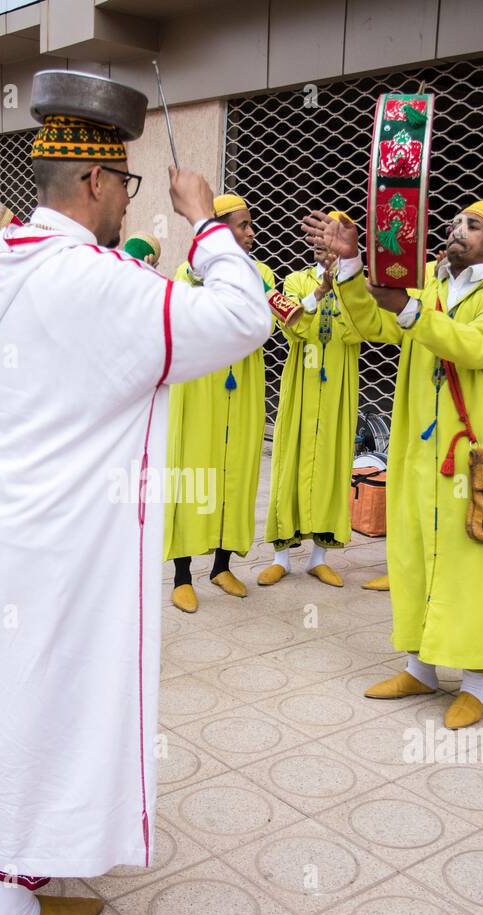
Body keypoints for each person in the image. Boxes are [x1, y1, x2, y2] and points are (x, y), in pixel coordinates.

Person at [0, 78, 270, 915]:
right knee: (57, 693)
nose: (129, 200)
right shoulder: (96, 283)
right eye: (126, 187)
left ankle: (10, 839)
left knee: (5, 691)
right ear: (94, 182)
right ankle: (14, 898)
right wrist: (205, 220)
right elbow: (244, 315)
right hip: (65, 541)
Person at [306, 201, 483, 729]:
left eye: (473, 227)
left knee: (478, 566)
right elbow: (370, 322)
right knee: (414, 556)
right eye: (456, 223)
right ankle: (421, 668)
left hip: (477, 452)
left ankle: (474, 685)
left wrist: (409, 311)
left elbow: (476, 347)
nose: (458, 230)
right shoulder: (429, 284)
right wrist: (354, 266)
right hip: (421, 450)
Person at [165, 192, 272, 612]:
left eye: (250, 224)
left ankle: (222, 566)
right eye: (242, 225)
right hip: (201, 384)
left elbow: (278, 318)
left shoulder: (260, 273)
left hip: (243, 385)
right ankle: (181, 575)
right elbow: (184, 305)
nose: (251, 232)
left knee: (236, 470)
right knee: (193, 471)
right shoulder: (190, 271)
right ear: (219, 229)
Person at [258, 211, 363, 589]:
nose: (326, 247)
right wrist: (318, 292)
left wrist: (342, 289)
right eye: (321, 240)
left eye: (334, 240)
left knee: (332, 462)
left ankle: (319, 557)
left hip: (337, 383)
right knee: (289, 461)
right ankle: (280, 557)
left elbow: (357, 329)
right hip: (301, 382)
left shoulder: (356, 286)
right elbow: (292, 327)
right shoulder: (295, 281)